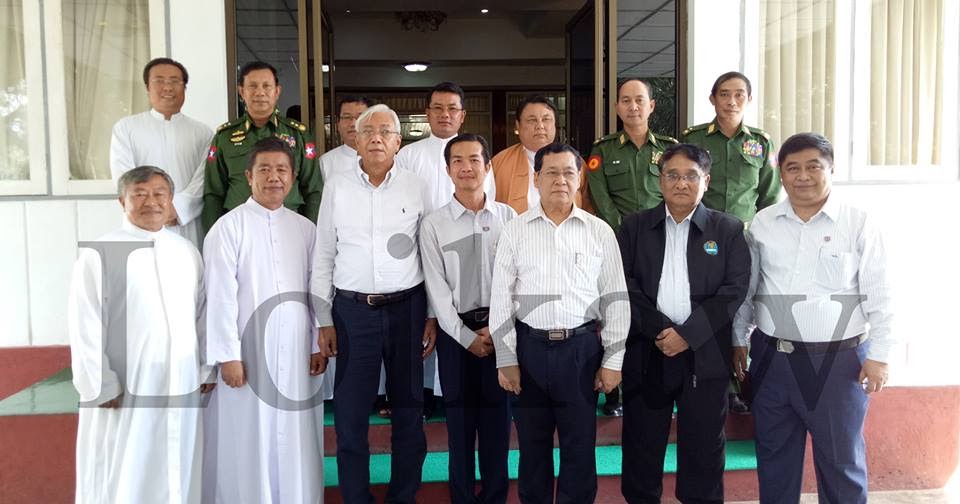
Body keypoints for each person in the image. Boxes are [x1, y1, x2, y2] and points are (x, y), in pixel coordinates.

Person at [733, 133, 896, 504]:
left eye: (813, 166)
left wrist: (881, 355)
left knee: (841, 465)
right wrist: (738, 338)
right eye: (793, 168)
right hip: (773, 360)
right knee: (775, 462)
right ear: (781, 173)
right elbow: (749, 287)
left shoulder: (857, 223)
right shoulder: (764, 222)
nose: (803, 176)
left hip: (838, 364)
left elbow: (880, 292)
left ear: (831, 168)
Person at [490, 142, 629, 503]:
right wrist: (506, 357)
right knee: (532, 449)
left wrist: (613, 361)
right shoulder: (515, 231)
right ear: (536, 179)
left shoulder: (599, 232)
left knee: (579, 447)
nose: (560, 180)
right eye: (551, 172)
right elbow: (501, 298)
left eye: (569, 172)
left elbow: (616, 299)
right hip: (529, 349)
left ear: (580, 178)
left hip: (581, 350)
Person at [68, 166, 214, 504]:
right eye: (140, 194)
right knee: (124, 467)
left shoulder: (185, 251)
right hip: (125, 384)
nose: (152, 201)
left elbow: (202, 313)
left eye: (160, 193)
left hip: (180, 378)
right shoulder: (101, 253)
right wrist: (99, 384)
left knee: (176, 463)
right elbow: (85, 323)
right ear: (122, 201)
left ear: (171, 200)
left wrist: (205, 368)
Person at [617, 144, 751, 503]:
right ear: (659, 181)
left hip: (705, 357)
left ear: (705, 181)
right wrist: (663, 332)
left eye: (691, 175)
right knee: (642, 447)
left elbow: (733, 290)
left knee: (704, 449)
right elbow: (622, 285)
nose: (681, 183)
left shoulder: (728, 230)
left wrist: (688, 335)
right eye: (672, 175)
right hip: (648, 352)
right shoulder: (634, 227)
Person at [312, 104, 432, 504]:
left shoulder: (416, 185)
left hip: (408, 309)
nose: (377, 137)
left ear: (399, 141)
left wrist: (431, 314)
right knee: (349, 415)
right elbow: (324, 254)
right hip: (352, 313)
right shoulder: (337, 186)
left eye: (386, 131)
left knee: (409, 411)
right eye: (368, 131)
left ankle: (403, 495)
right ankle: (356, 496)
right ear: (356, 139)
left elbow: (428, 252)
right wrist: (323, 317)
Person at [202, 138, 325, 503]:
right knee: (249, 432)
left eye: (282, 170)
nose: (274, 178)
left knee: (296, 430)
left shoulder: (305, 229)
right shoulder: (227, 228)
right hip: (248, 353)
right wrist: (227, 355)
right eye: (265, 170)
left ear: (293, 178)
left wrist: (318, 341)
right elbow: (219, 296)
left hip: (296, 352)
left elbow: (315, 288)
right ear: (248, 176)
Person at [420, 133, 515, 504]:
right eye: (458, 161)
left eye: (475, 159)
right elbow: (436, 288)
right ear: (447, 170)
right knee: (459, 427)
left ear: (488, 166)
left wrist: (496, 329)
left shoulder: (508, 217)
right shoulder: (433, 224)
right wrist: (465, 337)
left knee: (497, 425)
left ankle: (494, 497)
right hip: (454, 334)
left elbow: (517, 278)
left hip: (501, 332)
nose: (467, 167)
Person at [397, 82, 495, 419]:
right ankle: (429, 396)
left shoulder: (475, 153)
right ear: (427, 113)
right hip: (427, 248)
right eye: (437, 108)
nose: (445, 114)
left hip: (472, 256)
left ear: (462, 114)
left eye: (452, 108)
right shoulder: (409, 155)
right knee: (433, 326)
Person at [202, 61, 324, 232]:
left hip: (289, 228)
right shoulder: (224, 137)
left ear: (277, 91)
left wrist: (311, 232)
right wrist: (213, 233)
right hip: (239, 228)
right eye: (252, 86)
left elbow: (313, 191)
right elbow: (213, 193)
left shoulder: (298, 135)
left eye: (266, 86)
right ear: (241, 92)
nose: (260, 92)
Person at [110, 58, 213, 248]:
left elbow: (205, 178)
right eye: (159, 81)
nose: (167, 87)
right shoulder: (126, 128)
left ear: (184, 88)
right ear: (148, 87)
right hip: (143, 219)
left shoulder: (202, 132)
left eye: (175, 81)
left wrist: (178, 208)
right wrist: (151, 204)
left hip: (187, 220)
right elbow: (124, 177)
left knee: (189, 268)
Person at [682, 71, 779, 223]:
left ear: (749, 99)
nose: (731, 102)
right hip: (702, 227)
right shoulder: (693, 138)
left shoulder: (762, 142)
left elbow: (770, 193)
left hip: (746, 231)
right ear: (712, 99)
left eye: (739, 95)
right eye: (724, 94)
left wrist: (765, 227)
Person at [588, 79, 679, 232]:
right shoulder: (603, 149)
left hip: (663, 231)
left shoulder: (670, 149)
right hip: (618, 235)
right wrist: (621, 228)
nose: (633, 107)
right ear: (617, 108)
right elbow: (599, 196)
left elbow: (678, 191)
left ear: (651, 106)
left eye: (639, 100)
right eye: (626, 101)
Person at [491, 95, 591, 214]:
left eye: (546, 119)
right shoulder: (499, 162)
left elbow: (588, 208)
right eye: (532, 120)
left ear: (555, 125)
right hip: (518, 231)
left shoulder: (574, 161)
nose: (540, 126)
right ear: (518, 125)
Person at [319, 95, 373, 182]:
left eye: (360, 117)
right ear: (338, 124)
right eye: (347, 117)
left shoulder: (390, 160)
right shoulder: (325, 162)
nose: (353, 123)